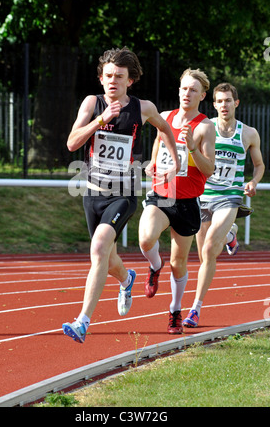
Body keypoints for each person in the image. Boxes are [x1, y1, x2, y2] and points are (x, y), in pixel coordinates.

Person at [63, 47, 180, 343]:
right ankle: (127, 278)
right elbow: (72, 144)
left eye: (120, 76)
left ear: (130, 80)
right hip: (93, 192)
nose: (113, 81)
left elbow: (165, 128)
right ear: (101, 79)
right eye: (108, 76)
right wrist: (100, 120)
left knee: (100, 247)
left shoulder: (143, 108)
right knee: (108, 256)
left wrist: (173, 160)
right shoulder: (92, 103)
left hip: (124, 194)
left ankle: (82, 322)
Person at [139, 68, 216, 334]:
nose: (187, 93)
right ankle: (154, 266)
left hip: (187, 201)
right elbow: (160, 142)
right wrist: (152, 164)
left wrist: (193, 146)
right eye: (184, 88)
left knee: (179, 262)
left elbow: (209, 170)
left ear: (202, 95)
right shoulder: (165, 117)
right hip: (162, 194)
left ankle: (174, 310)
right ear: (179, 90)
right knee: (146, 239)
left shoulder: (206, 126)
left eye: (193, 90)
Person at [183, 82, 265, 328]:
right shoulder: (204, 128)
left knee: (209, 249)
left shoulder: (248, 133)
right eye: (219, 101)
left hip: (230, 197)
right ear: (214, 104)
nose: (223, 105)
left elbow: (259, 165)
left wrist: (253, 181)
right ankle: (230, 234)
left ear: (236, 103)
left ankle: (195, 308)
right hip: (204, 196)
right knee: (202, 257)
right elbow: (189, 155)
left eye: (228, 100)